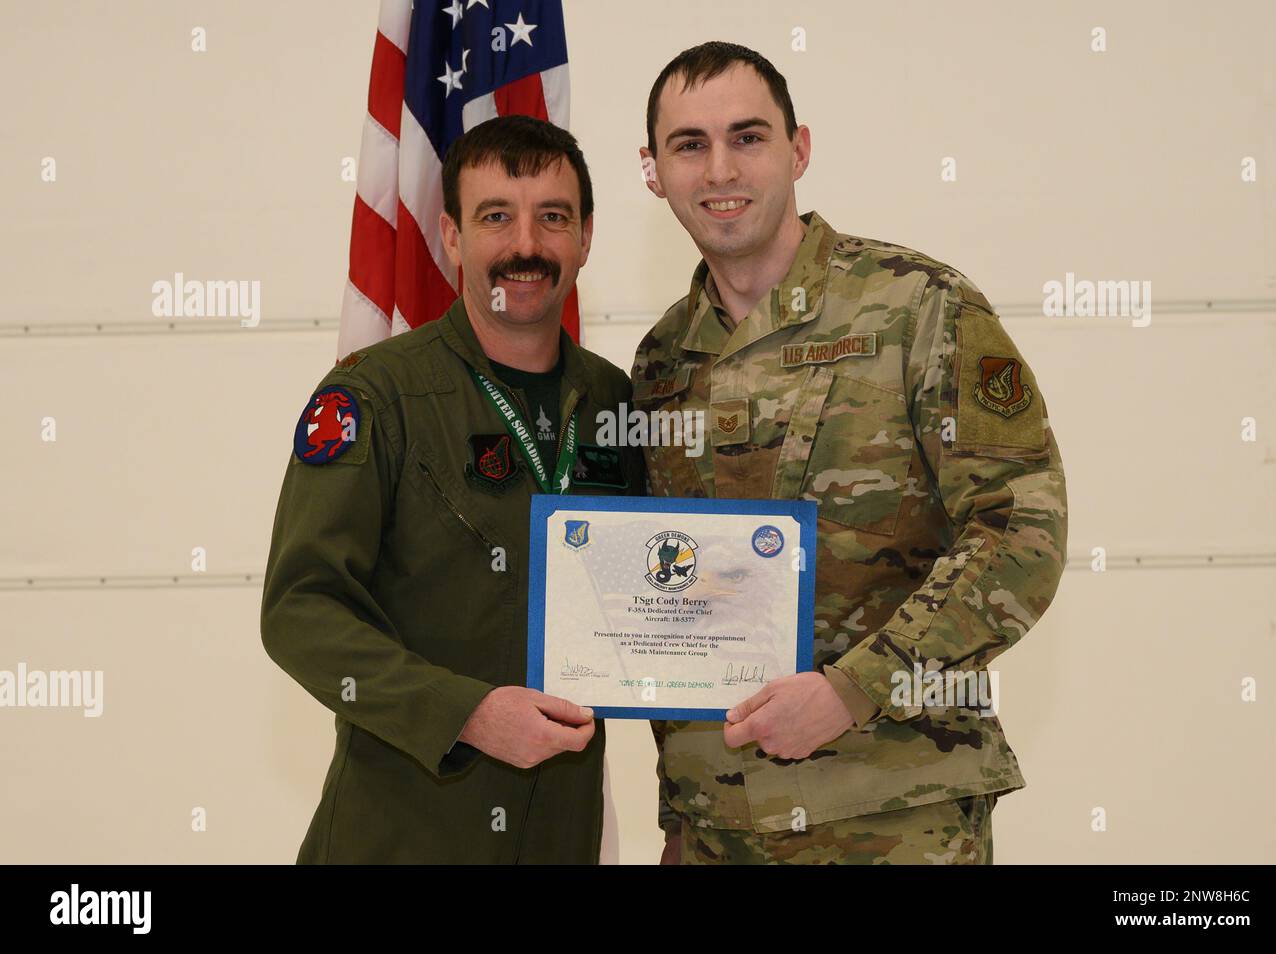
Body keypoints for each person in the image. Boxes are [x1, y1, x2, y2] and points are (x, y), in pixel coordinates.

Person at [632, 41, 1068, 864]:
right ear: (653, 170)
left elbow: (1021, 536)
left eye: (748, 137)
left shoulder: (916, 307)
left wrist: (851, 692)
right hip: (711, 826)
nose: (720, 169)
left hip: (892, 821)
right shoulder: (662, 360)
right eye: (689, 145)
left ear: (798, 149)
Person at [261, 115, 645, 863]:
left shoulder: (617, 403)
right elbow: (299, 611)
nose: (525, 245)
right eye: (495, 217)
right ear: (449, 236)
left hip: (561, 834)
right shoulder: (376, 396)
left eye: (553, 218)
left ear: (586, 238)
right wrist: (465, 713)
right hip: (403, 835)